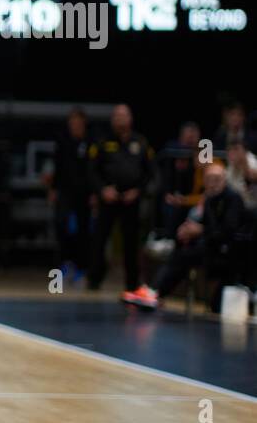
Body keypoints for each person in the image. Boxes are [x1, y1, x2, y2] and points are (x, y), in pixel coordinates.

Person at [124, 163, 248, 312]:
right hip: (211, 247)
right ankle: (154, 292)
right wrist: (188, 230)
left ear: (224, 180)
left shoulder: (233, 199)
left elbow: (228, 231)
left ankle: (155, 291)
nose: (213, 183)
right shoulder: (209, 199)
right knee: (183, 248)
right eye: (209, 179)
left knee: (186, 255)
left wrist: (200, 230)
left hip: (231, 251)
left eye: (217, 179)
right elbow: (205, 224)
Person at [85, 104, 155, 300]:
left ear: (130, 119)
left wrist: (138, 191)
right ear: (112, 120)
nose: (120, 119)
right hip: (108, 198)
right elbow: (91, 171)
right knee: (99, 239)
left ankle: (132, 284)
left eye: (124, 115)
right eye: (117, 116)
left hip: (130, 200)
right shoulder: (101, 141)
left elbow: (150, 173)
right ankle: (94, 279)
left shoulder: (140, 142)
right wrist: (102, 190)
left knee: (131, 242)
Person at [46, 107, 96, 280]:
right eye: (72, 123)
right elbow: (57, 167)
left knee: (83, 230)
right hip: (65, 191)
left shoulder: (91, 142)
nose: (74, 126)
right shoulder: (62, 141)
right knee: (61, 225)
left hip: (84, 192)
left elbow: (94, 170)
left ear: (83, 123)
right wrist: (53, 189)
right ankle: (64, 264)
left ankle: (82, 266)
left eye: (77, 122)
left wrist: (94, 193)